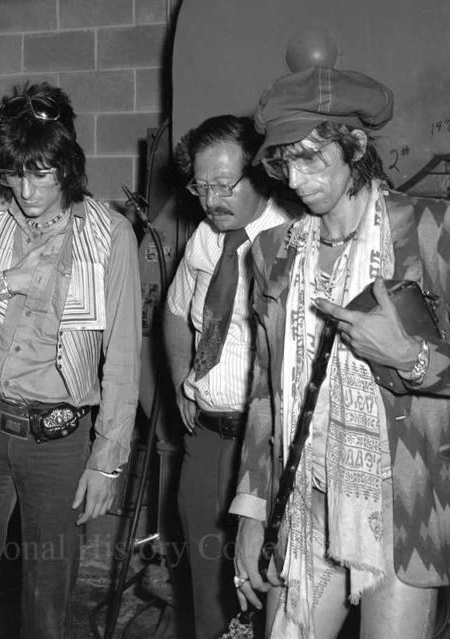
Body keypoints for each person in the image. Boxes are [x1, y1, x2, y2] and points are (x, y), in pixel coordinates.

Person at [230, 66, 450, 638]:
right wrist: (252, 513)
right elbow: (262, 394)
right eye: (283, 164)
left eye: (312, 160)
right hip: (303, 500)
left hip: (404, 507)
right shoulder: (274, 251)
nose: (296, 181)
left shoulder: (429, 227)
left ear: (355, 146)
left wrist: (411, 358)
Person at [0, 82, 142, 639]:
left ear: (68, 164)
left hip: (60, 441)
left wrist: (107, 461)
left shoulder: (110, 235)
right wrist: (4, 283)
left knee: (48, 596)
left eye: (42, 172)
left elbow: (123, 359)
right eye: (15, 173)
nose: (27, 189)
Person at [163, 114, 292, 639]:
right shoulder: (204, 237)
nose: (210, 199)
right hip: (207, 439)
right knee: (206, 580)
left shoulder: (293, 236)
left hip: (267, 447)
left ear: (258, 174)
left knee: (266, 585)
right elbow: (174, 313)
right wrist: (178, 379)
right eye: (201, 186)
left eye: (224, 185)